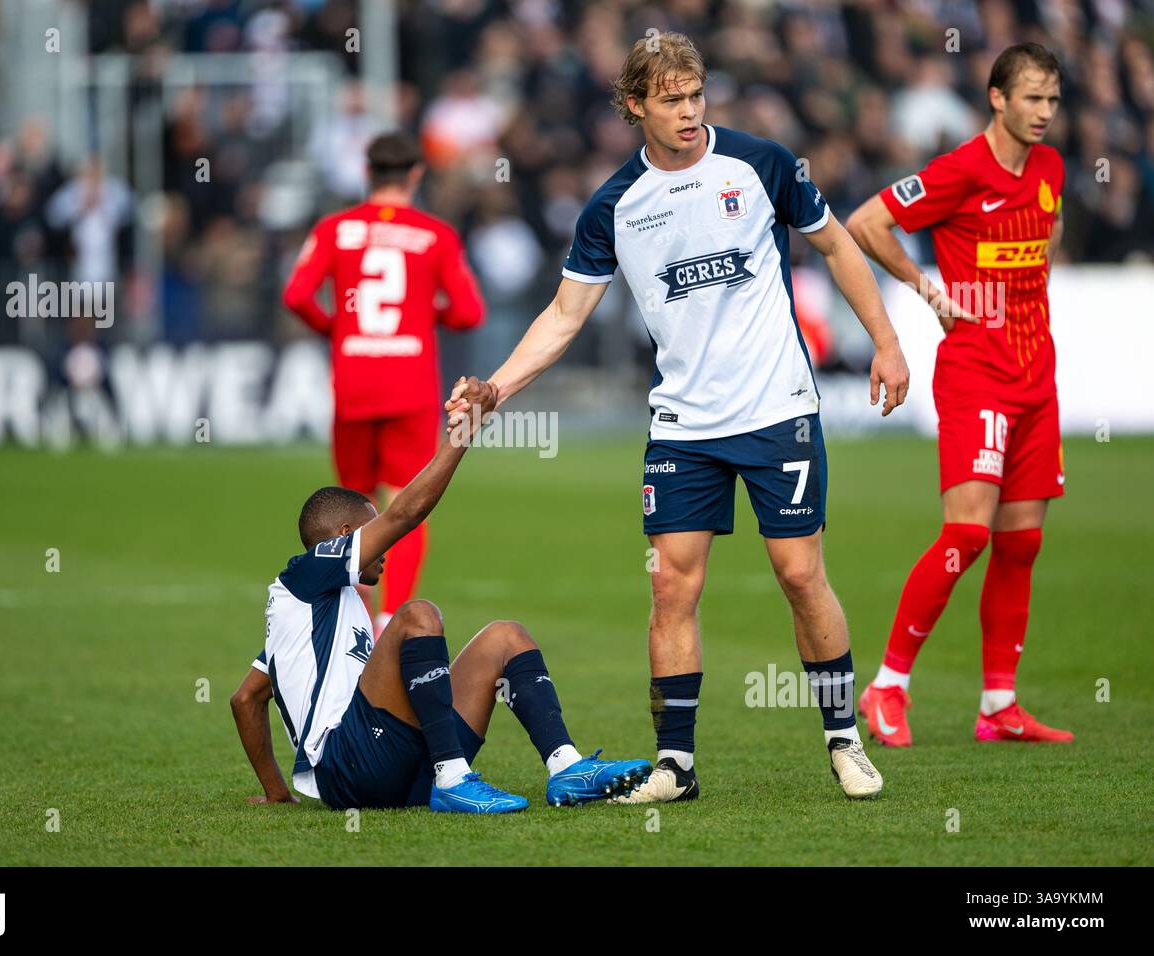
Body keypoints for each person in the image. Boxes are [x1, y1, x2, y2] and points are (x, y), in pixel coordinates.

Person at [448, 33, 908, 801]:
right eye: (671, 100)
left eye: (697, 96)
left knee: (799, 574)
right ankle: (676, 766)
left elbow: (835, 246)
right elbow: (563, 318)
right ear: (635, 106)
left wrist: (887, 344)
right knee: (670, 590)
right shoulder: (614, 207)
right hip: (684, 426)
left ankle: (844, 740)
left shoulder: (762, 163)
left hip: (776, 407)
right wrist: (495, 389)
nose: (691, 113)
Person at [230, 377, 651, 813]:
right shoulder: (305, 573)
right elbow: (405, 513)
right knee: (415, 615)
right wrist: (462, 434)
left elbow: (245, 699)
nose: (384, 547)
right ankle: (452, 777)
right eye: (371, 531)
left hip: (400, 773)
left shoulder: (313, 615)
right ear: (342, 538)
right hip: (348, 766)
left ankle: (567, 767)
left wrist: (277, 791)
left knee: (506, 637)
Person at [846, 43, 1073, 746]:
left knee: (1022, 543)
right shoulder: (961, 170)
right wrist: (926, 289)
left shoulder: (1051, 169)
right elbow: (865, 222)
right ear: (998, 98)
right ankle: (886, 688)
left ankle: (998, 705)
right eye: (1032, 98)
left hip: (1037, 375)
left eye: (1053, 101)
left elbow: (1049, 229)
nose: (1043, 113)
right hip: (976, 372)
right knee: (968, 532)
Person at [283, 132, 485, 636]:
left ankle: (350, 620)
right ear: (416, 174)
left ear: (367, 173)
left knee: (351, 506)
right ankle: (391, 621)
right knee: (405, 503)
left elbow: (296, 295)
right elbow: (469, 311)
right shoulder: (434, 234)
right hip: (410, 383)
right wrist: (423, 313)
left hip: (354, 379)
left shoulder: (336, 229)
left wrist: (335, 328)